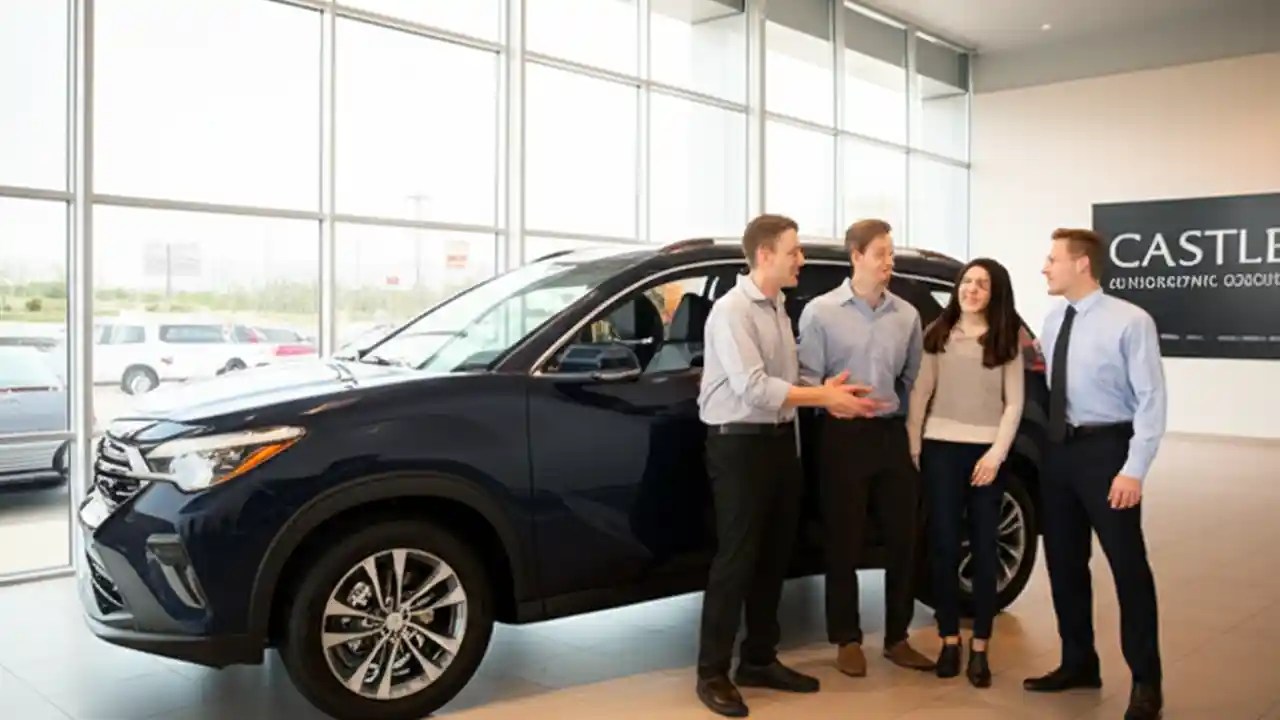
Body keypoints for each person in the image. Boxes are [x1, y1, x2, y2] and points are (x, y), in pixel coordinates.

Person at [695, 214, 888, 718]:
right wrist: (821, 395)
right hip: (738, 446)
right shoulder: (732, 311)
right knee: (736, 559)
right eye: (794, 251)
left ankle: (759, 658)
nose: (801, 259)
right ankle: (712, 671)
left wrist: (828, 395)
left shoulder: (779, 307)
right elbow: (753, 389)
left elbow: (789, 386)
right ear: (765, 255)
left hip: (779, 445)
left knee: (775, 555)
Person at [1024, 228, 1165, 720]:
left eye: (1052, 258)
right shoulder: (1052, 317)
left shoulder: (1131, 321)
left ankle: (1147, 682)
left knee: (1128, 568)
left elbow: (1152, 400)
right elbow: (1046, 375)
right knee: (1064, 564)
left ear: (1082, 264)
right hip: (1058, 452)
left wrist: (1134, 469)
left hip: (1108, 451)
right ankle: (1078, 662)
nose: (1045, 267)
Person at [797, 218, 935, 678]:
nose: (888, 262)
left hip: (890, 434)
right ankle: (847, 638)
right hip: (842, 437)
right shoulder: (820, 312)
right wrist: (829, 397)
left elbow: (914, 375)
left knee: (903, 537)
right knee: (843, 540)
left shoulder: (907, 315)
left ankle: (897, 637)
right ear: (856, 256)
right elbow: (806, 380)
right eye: (880, 254)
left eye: (891, 254)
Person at [906, 258, 1024, 687]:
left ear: (996, 293)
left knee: (986, 547)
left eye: (982, 284)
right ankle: (949, 639)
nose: (972, 290)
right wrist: (916, 444)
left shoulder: (1006, 339)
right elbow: (920, 394)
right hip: (940, 448)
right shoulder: (937, 334)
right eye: (967, 282)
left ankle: (981, 649)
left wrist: (996, 454)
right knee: (942, 546)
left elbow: (1014, 402)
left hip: (987, 453)